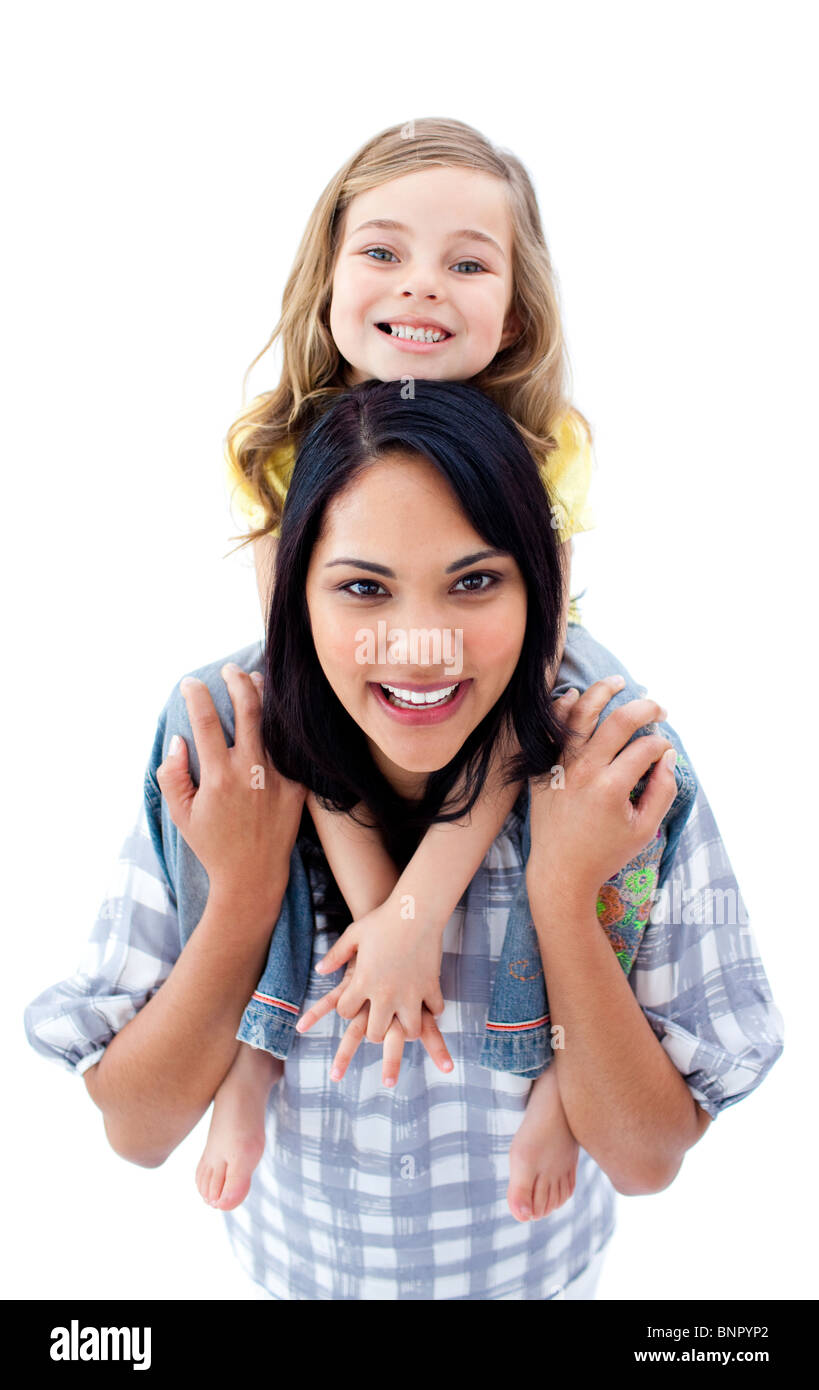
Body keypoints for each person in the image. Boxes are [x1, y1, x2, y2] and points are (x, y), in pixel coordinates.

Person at [25, 380, 783, 1301]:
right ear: (290, 593)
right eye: (361, 588)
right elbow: (137, 1131)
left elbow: (646, 1158)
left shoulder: (612, 764)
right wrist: (244, 889)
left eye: (473, 582)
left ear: (543, 582)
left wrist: (563, 896)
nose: (421, 648)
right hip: (296, 1278)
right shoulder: (223, 751)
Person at [201, 116, 700, 1219]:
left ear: (512, 310)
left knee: (597, 806)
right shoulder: (282, 455)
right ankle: (259, 1048)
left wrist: (422, 912)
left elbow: (524, 712)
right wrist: (381, 919)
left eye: (466, 263)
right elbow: (302, 706)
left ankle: (560, 1075)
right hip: (344, 719)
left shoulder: (543, 449)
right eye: (383, 251)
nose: (421, 287)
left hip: (507, 694)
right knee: (261, 813)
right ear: (328, 276)